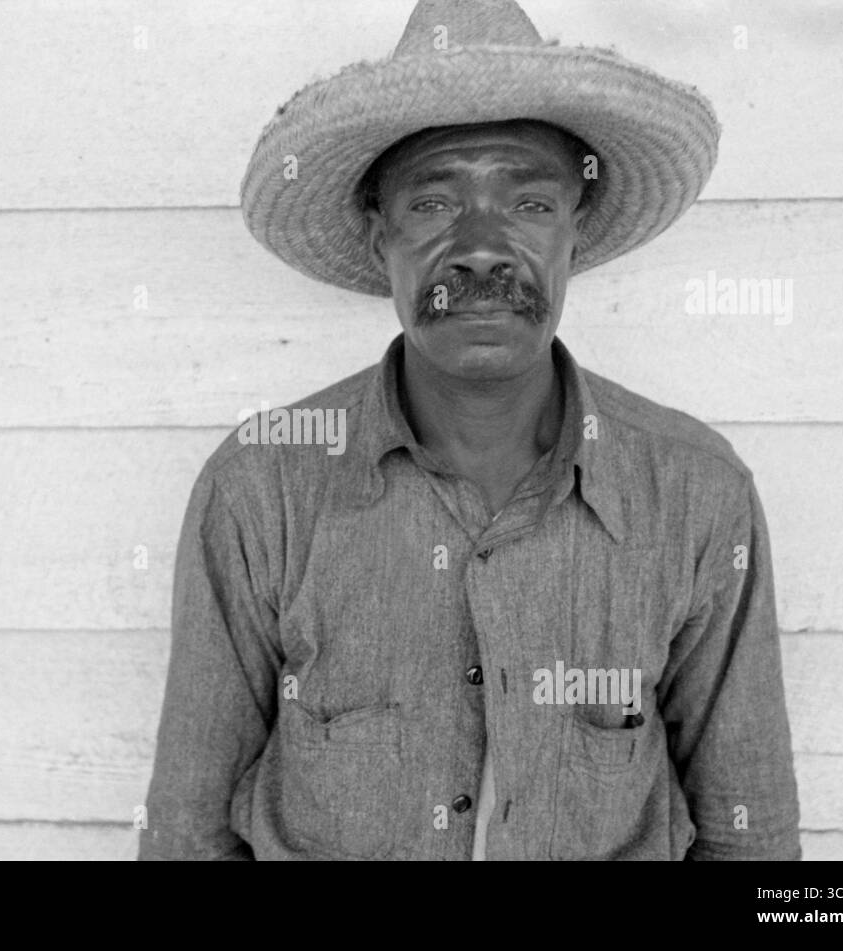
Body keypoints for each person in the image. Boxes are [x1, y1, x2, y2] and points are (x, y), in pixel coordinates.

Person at [139, 0, 800, 860]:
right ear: (381, 239)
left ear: (576, 226)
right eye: (434, 203)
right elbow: (187, 834)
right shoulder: (261, 489)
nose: (482, 247)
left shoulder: (696, 494)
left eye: (527, 201)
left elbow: (754, 838)